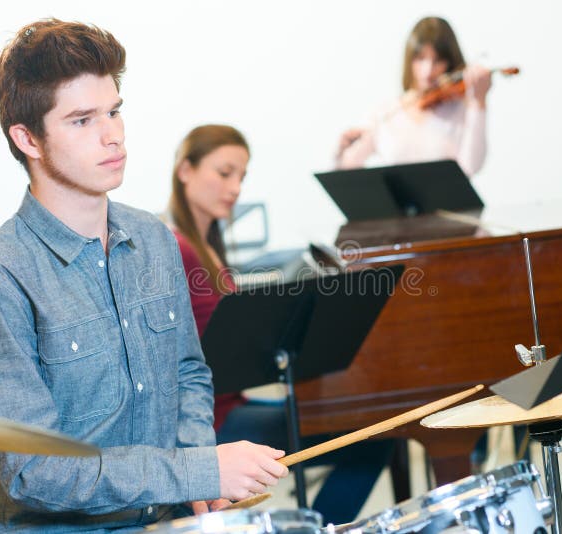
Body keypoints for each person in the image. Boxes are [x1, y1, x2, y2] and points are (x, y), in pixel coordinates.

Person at [0, 19, 287, 533]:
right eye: (82, 120)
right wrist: (194, 470)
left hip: (162, 517)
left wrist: (198, 473)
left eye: (114, 110)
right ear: (28, 139)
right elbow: (37, 473)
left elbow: (188, 376)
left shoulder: (153, 238)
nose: (114, 135)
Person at [167, 124, 394, 524]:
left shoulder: (207, 249)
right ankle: (314, 527)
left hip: (234, 405)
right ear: (185, 170)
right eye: (224, 173)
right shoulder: (177, 247)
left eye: (241, 176)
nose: (235, 187)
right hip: (215, 423)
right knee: (373, 440)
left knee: (366, 431)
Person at [335, 16, 492, 177]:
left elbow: (472, 166)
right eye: (420, 58)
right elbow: (350, 167)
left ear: (450, 63)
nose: (428, 71)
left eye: (438, 60)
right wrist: (342, 154)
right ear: (410, 59)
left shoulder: (462, 110)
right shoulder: (385, 113)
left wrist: (478, 102)